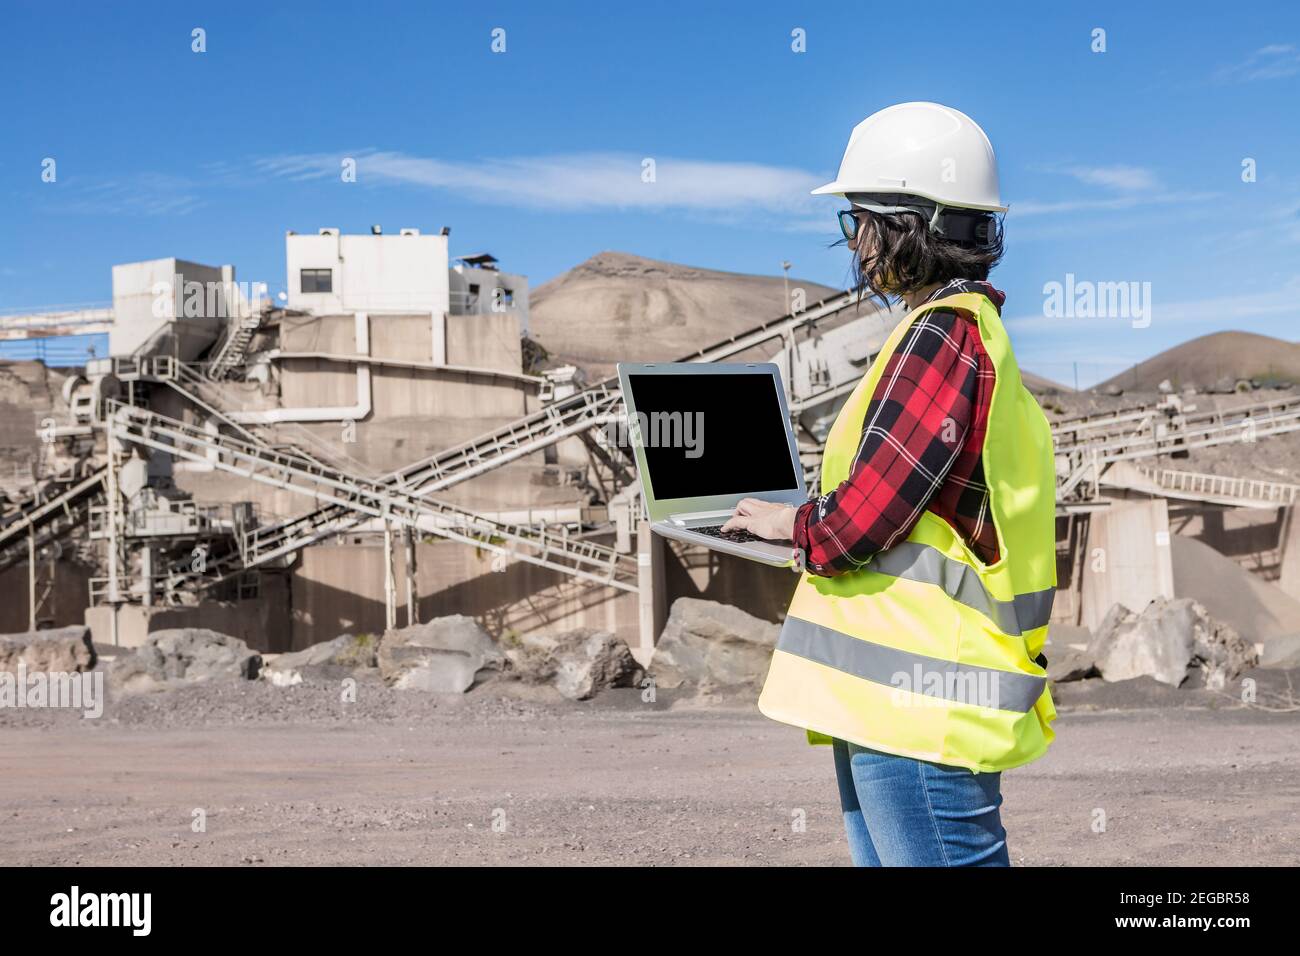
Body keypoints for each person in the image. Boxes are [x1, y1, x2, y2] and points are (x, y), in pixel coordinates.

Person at [721, 102, 1057, 867]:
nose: (856, 242)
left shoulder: (941, 337)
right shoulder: (963, 333)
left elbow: (861, 523)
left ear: (907, 224)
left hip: (922, 703)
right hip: (898, 698)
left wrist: (794, 525)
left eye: (859, 221)